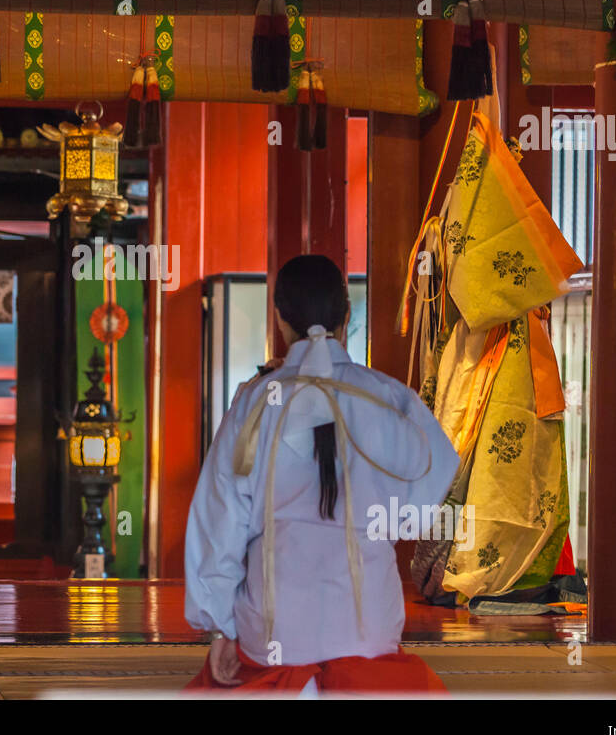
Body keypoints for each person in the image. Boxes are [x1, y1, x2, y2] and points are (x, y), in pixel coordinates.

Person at [185, 254, 458, 694]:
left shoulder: (253, 404)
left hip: (275, 630)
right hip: (366, 626)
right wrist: (387, 524)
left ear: (278, 317)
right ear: (346, 315)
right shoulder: (389, 399)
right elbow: (438, 466)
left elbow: (219, 525)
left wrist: (221, 629)